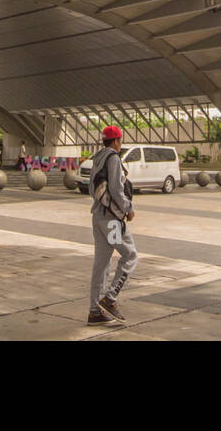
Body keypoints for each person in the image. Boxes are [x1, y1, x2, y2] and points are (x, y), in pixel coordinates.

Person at [88, 125, 136, 326]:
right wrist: (128, 207)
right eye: (120, 140)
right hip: (111, 221)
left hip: (98, 216)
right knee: (129, 255)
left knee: (101, 263)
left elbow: (93, 187)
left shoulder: (97, 158)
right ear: (117, 140)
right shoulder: (114, 158)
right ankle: (110, 299)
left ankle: (94, 312)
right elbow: (116, 189)